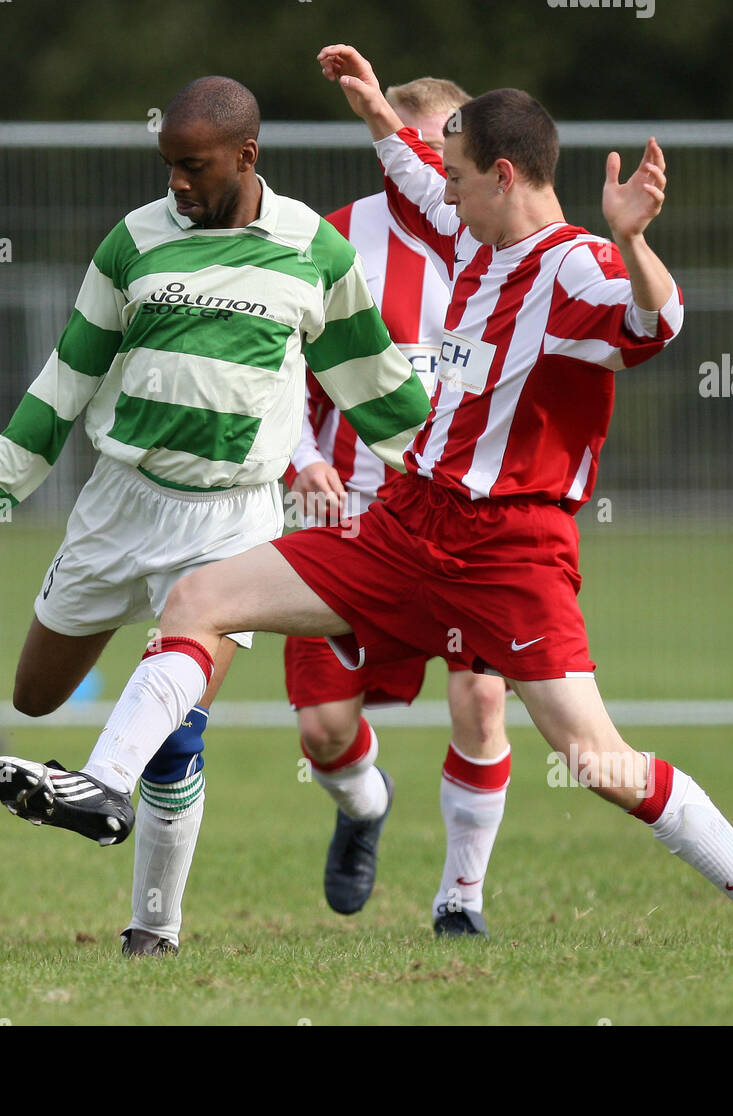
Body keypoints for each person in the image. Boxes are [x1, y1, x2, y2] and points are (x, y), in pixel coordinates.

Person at [0, 46, 733, 946]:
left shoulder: (577, 266)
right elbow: (419, 179)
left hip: (507, 550)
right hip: (403, 522)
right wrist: (378, 113)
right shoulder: (480, 230)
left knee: (594, 760)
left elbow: (656, 321)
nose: (442, 196)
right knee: (201, 597)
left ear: (503, 177)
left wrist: (631, 239)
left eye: (459, 177)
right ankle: (108, 786)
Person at [0, 74, 430, 957]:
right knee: (35, 697)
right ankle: (123, 790)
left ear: (247, 155)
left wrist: (459, 490)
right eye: (167, 166)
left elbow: (381, 395)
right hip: (118, 505)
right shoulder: (132, 242)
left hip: (232, 521)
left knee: (176, 723)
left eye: (193, 167)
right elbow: (65, 381)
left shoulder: (314, 249)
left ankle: (150, 926)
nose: (178, 185)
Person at [284, 76, 510, 937]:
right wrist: (302, 460)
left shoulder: (498, 250)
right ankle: (364, 806)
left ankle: (460, 901)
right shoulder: (333, 241)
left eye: (443, 155)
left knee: (482, 703)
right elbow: (284, 383)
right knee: (324, 732)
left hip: (462, 525)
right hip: (345, 522)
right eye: (414, 149)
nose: (431, 169)